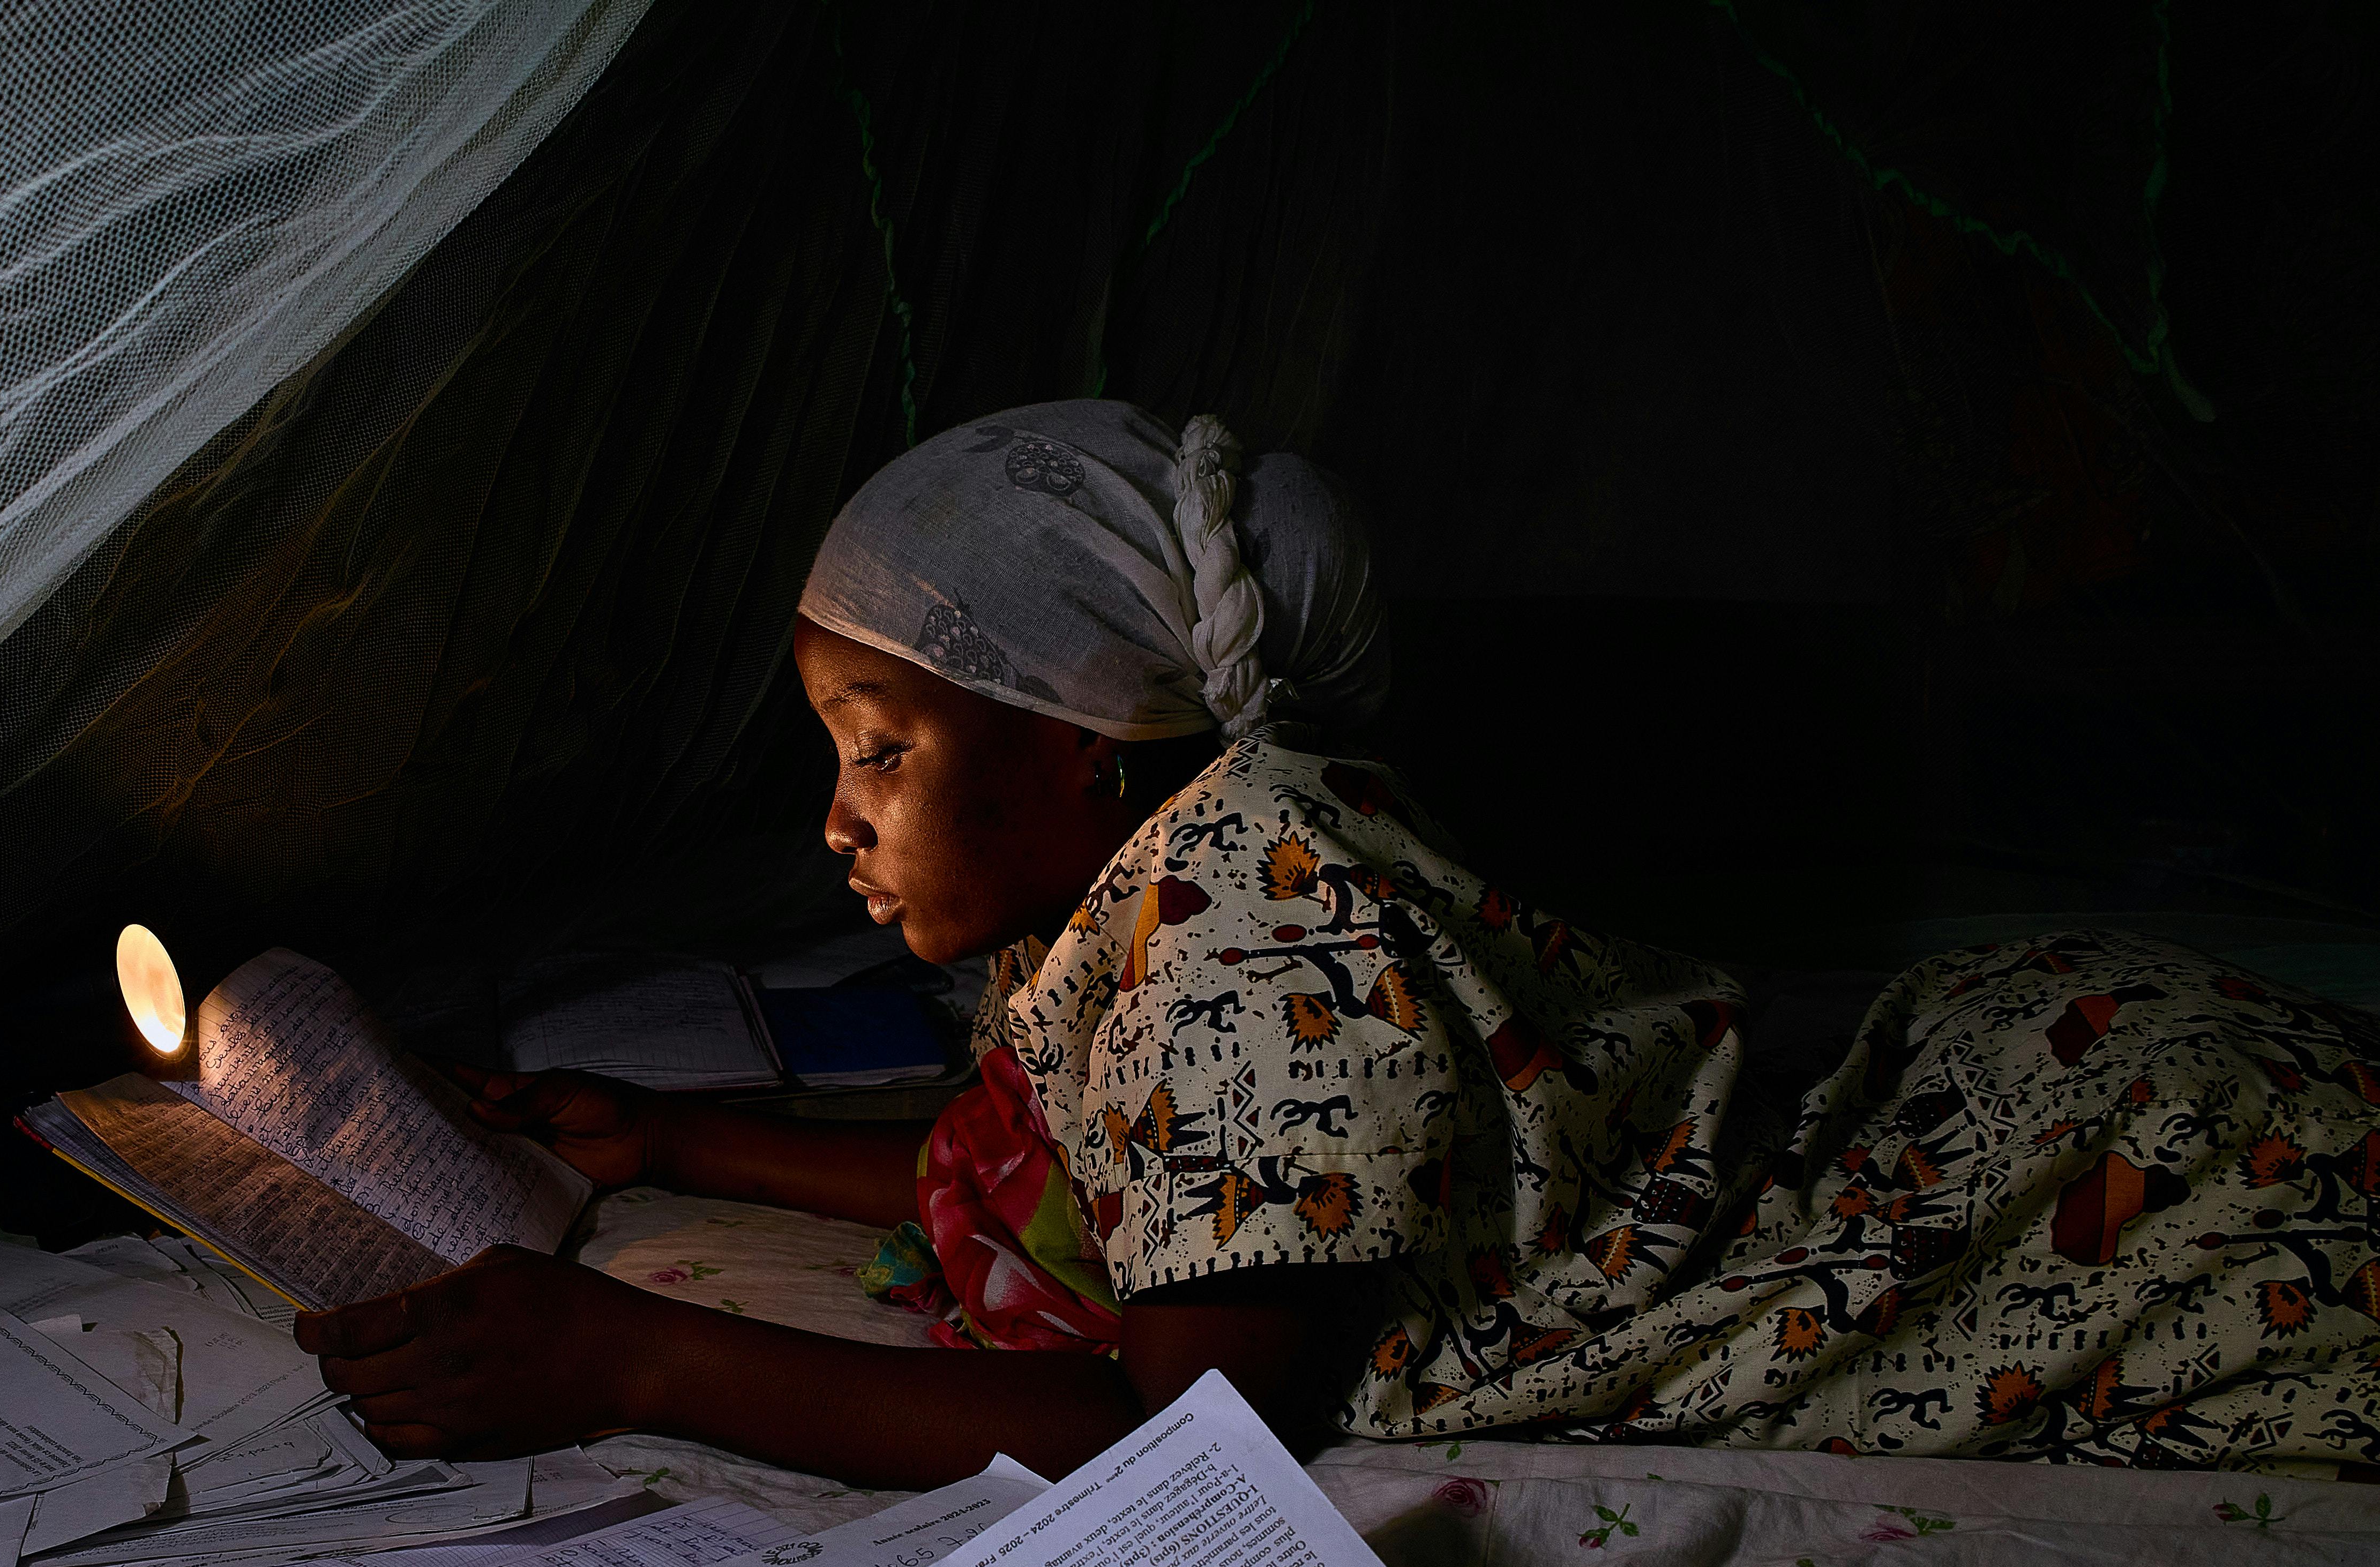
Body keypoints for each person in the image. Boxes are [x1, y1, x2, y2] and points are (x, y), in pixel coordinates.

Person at [300, 402, 2380, 1485]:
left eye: (884, 745)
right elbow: (1146, 1191)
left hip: (2121, 1186)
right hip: (2044, 1070)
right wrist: (674, 1140)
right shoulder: (1158, 899)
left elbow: (1181, 1432)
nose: (834, 813)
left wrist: (631, 1353)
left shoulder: (1260, 911)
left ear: (1095, 744)